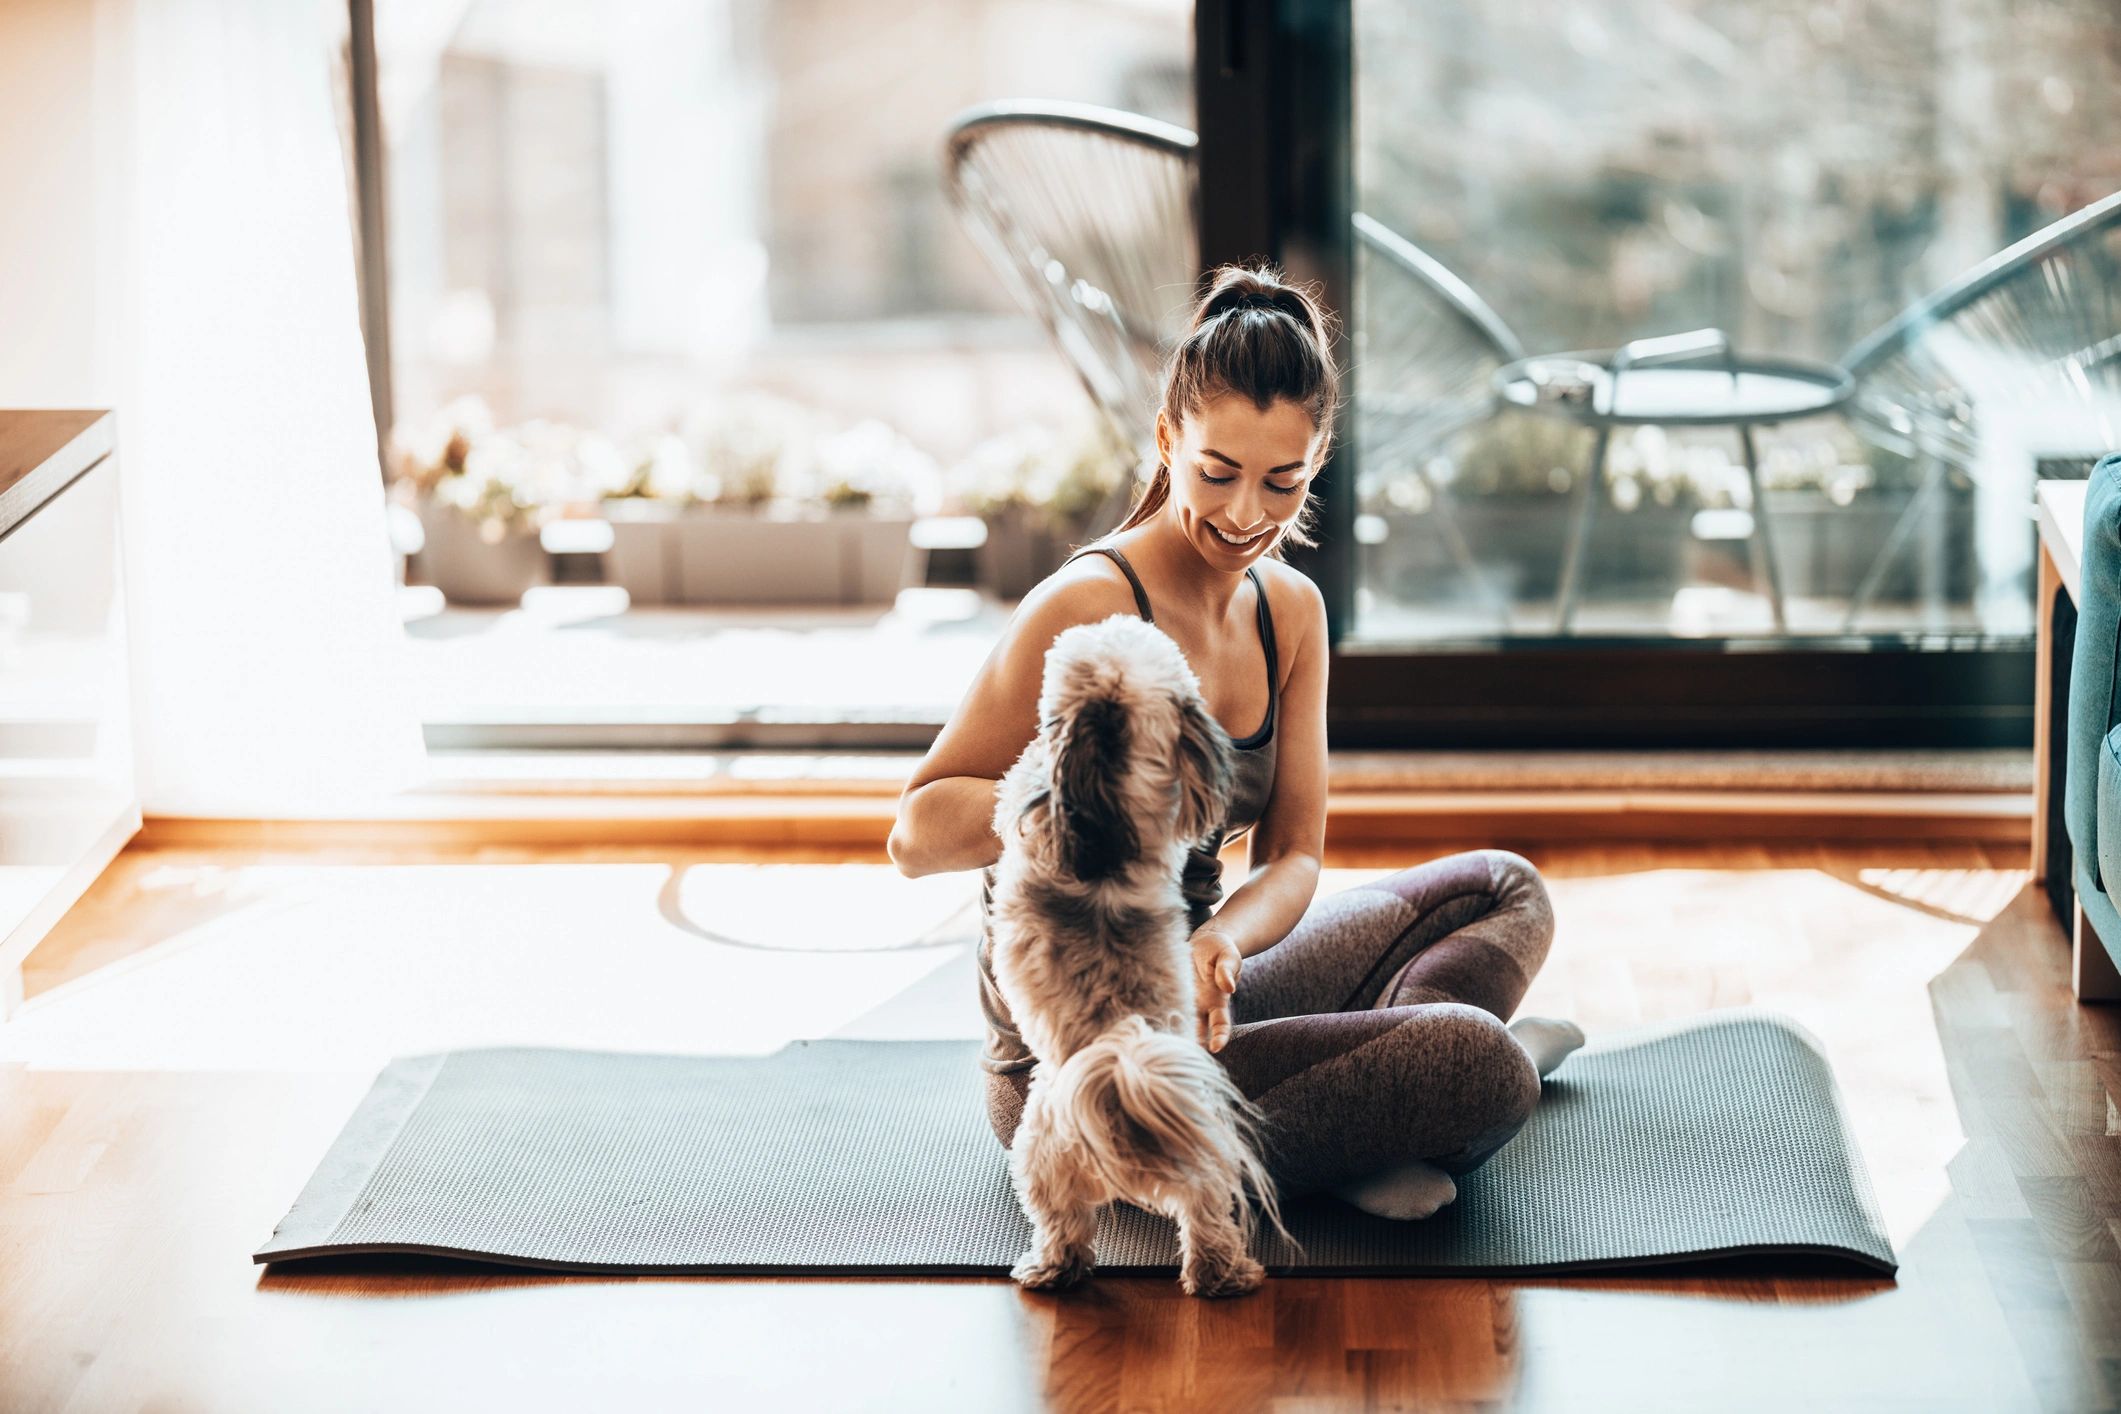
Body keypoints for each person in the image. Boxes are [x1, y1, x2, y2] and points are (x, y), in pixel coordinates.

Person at [887, 262, 1584, 1220]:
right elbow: (914, 835)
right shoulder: (1088, 603)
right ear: (1168, 438)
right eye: (1216, 474)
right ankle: (1389, 1103)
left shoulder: (1291, 612)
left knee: (1504, 891)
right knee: (1477, 1064)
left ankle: (1358, 1111)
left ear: (1318, 458)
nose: (1246, 514)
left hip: (1205, 987)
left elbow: (1296, 852)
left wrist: (1223, 939)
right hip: (1085, 1065)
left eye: (1281, 483)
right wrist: (1078, 804)